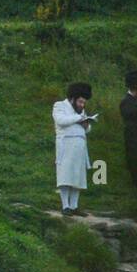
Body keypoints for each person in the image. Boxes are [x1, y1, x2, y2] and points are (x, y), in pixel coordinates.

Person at [53, 82, 95, 215]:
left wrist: (86, 124)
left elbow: (87, 129)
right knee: (65, 175)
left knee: (78, 176)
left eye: (84, 103)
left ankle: (74, 206)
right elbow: (60, 120)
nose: (82, 105)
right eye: (80, 102)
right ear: (72, 99)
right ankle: (65, 205)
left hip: (80, 146)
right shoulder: (59, 105)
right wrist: (79, 118)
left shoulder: (80, 111)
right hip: (66, 145)